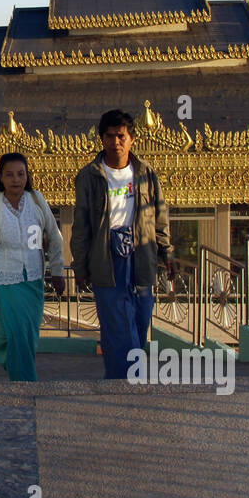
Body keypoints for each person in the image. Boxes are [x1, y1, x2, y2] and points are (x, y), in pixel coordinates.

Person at [71, 109, 173, 380]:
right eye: (109, 136)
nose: (115, 142)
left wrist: (166, 252)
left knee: (139, 319)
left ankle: (128, 376)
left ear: (132, 139)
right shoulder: (89, 176)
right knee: (117, 324)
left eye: (121, 136)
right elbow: (81, 226)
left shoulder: (145, 173)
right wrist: (79, 266)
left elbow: (159, 215)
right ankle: (123, 381)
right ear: (101, 139)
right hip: (107, 255)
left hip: (141, 252)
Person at [0, 153, 65, 381]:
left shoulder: (36, 200)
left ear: (27, 176)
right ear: (1, 178)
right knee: (19, 336)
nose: (16, 179)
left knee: (28, 334)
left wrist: (58, 271)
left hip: (33, 279)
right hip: (4, 281)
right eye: (9, 174)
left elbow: (54, 236)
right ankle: (25, 384)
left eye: (21, 174)